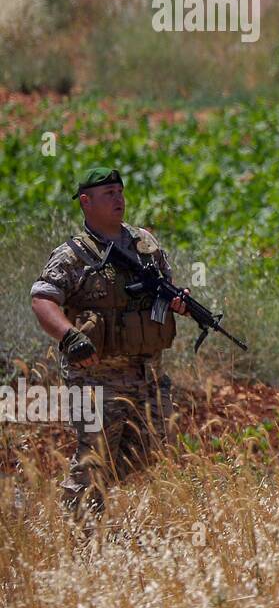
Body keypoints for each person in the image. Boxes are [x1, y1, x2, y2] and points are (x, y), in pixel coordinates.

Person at [29, 167, 190, 517]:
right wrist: (69, 335)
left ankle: (97, 512)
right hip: (94, 379)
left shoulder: (145, 244)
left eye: (120, 191)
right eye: (108, 194)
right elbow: (42, 299)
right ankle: (83, 535)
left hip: (147, 375)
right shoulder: (73, 255)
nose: (118, 198)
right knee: (94, 459)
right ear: (86, 202)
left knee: (150, 451)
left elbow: (165, 288)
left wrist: (178, 301)